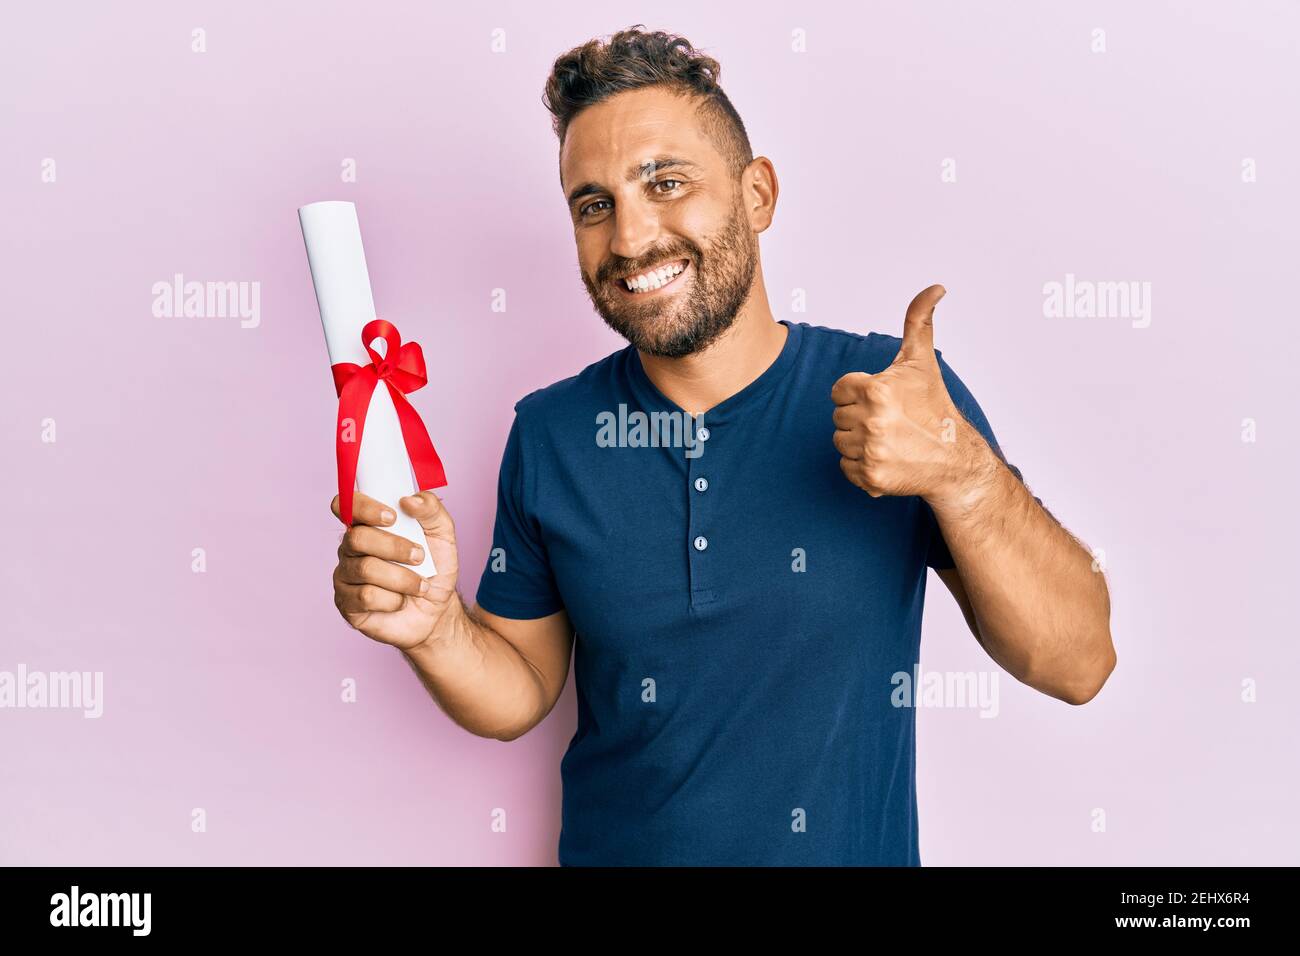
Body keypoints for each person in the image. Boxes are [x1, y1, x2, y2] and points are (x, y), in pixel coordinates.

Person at [328, 26, 1115, 866]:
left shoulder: (903, 399)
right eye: (595, 205)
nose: (630, 240)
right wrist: (434, 628)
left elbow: (1077, 663)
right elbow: (521, 687)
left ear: (758, 194)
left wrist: (963, 474)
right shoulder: (550, 434)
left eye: (666, 183)